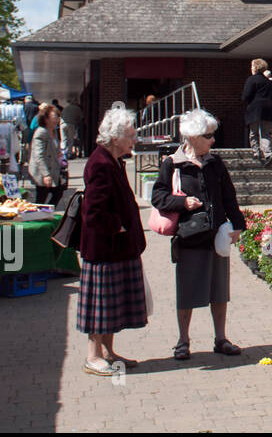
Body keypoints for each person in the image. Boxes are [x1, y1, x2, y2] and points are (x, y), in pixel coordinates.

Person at [150, 109, 246, 360]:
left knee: (219, 289)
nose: (213, 140)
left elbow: (228, 196)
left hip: (216, 235)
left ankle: (221, 338)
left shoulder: (215, 163)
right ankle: (183, 341)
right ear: (192, 137)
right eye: (209, 135)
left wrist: (237, 224)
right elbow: (158, 196)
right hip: (189, 236)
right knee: (187, 289)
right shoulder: (173, 164)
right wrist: (183, 204)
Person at [76, 104, 147, 376]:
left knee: (112, 304)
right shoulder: (100, 163)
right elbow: (92, 212)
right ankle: (93, 356)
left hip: (117, 248)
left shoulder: (113, 160)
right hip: (104, 248)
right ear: (115, 137)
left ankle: (108, 351)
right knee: (101, 305)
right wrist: (117, 226)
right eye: (130, 135)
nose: (134, 139)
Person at [241, 59, 272, 165]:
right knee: (266, 134)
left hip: (255, 110)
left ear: (256, 67)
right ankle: (268, 154)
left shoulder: (252, 80)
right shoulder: (269, 82)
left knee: (254, 133)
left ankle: (256, 153)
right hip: (268, 111)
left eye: (252, 66)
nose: (251, 68)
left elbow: (246, 96)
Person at [28, 103, 65, 204]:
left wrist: (59, 155)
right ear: (46, 119)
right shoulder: (41, 132)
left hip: (53, 169)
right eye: (54, 117)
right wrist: (46, 175)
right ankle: (38, 216)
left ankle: (46, 212)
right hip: (42, 171)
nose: (57, 119)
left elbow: (54, 148)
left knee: (58, 191)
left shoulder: (54, 132)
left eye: (58, 117)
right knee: (41, 197)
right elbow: (38, 155)